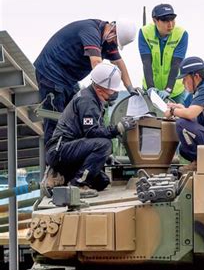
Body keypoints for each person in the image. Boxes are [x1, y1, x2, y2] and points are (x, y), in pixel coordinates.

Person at [35, 18, 137, 146]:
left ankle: (76, 156)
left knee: (78, 113)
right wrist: (106, 90)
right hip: (51, 73)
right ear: (113, 29)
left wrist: (130, 88)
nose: (113, 43)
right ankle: (53, 159)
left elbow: (118, 62)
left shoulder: (108, 39)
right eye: (115, 40)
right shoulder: (90, 31)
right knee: (55, 119)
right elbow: (96, 63)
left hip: (69, 79)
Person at [43, 63, 137, 194]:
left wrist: (102, 158)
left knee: (102, 182)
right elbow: (92, 132)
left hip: (71, 149)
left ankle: (63, 177)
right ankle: (77, 185)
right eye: (112, 91)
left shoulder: (93, 99)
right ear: (99, 89)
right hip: (60, 151)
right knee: (104, 145)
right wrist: (118, 129)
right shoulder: (87, 101)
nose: (114, 93)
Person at [139, 3, 188, 104]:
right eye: (165, 20)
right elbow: (146, 62)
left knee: (177, 119)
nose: (170, 24)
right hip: (151, 88)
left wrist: (168, 89)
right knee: (150, 119)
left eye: (172, 19)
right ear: (155, 20)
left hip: (175, 90)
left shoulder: (181, 34)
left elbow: (176, 64)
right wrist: (150, 87)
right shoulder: (144, 32)